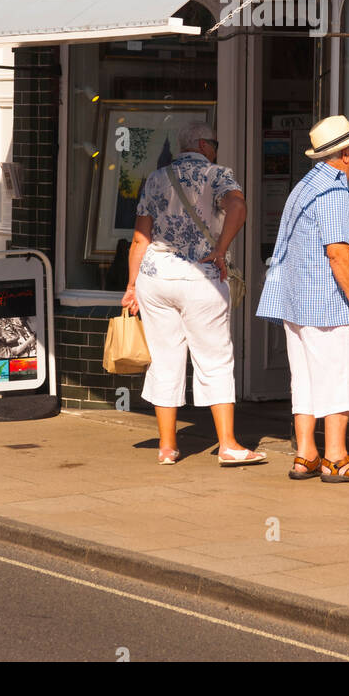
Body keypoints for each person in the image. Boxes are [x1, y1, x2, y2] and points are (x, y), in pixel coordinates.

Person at [121, 121, 266, 468]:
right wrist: (220, 248)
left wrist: (131, 286)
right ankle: (228, 445)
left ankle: (168, 447)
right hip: (200, 278)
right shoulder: (218, 174)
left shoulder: (156, 178)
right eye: (213, 142)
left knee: (165, 358)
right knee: (214, 358)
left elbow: (140, 238)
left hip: (156, 278)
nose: (216, 148)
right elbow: (238, 208)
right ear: (203, 145)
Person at [257, 115, 349, 483]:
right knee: (340, 377)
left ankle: (306, 455)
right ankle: (336, 458)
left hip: (297, 302)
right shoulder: (333, 195)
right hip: (329, 306)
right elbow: (338, 254)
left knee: (306, 380)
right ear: (345, 154)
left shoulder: (305, 187)